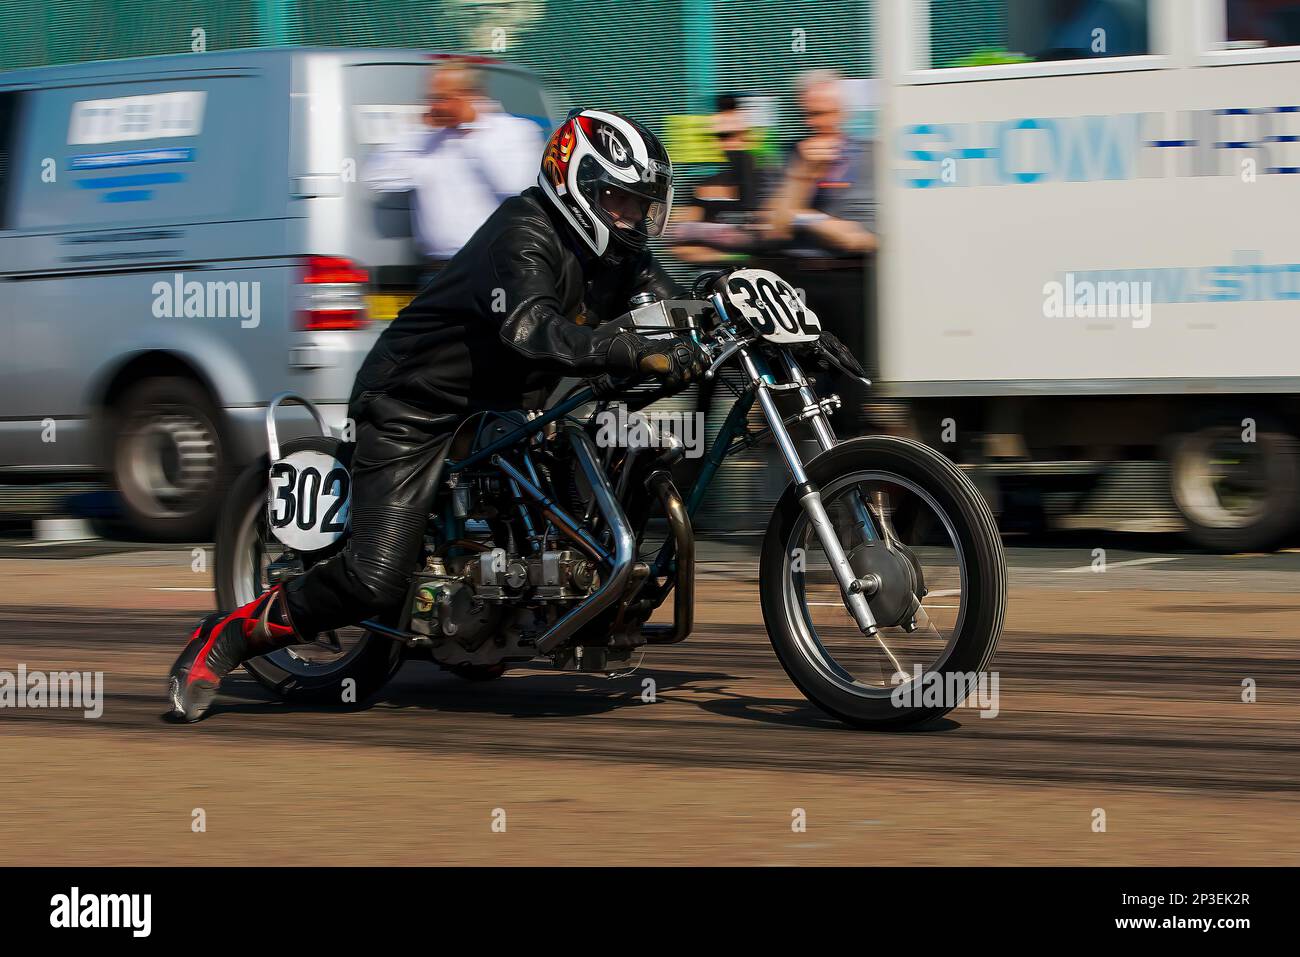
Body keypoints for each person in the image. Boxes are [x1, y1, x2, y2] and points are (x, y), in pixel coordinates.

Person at [167, 109, 705, 722]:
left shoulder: (618, 257)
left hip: (508, 410)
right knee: (374, 580)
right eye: (617, 200)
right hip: (415, 408)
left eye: (640, 205)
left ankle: (515, 611)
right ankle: (230, 637)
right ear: (576, 184)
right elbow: (532, 329)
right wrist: (627, 345)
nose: (630, 218)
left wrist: (732, 310)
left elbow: (675, 308)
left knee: (625, 457)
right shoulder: (524, 232)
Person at [764, 69, 878, 417]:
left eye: (826, 113)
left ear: (843, 112)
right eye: (811, 114)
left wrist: (802, 215)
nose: (819, 123)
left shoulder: (868, 157)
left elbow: (864, 238)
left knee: (850, 386)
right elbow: (772, 228)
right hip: (801, 282)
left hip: (850, 282)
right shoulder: (789, 156)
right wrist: (803, 174)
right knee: (795, 387)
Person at [363, 63, 543, 275]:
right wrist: (417, 130)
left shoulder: (514, 132)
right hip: (438, 271)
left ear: (469, 95)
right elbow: (378, 177)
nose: (436, 105)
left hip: (492, 266)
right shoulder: (428, 139)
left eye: (442, 97)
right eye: (432, 98)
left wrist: (472, 132)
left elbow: (516, 187)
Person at [667, 93, 767, 267]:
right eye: (723, 136)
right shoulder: (702, 187)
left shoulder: (774, 182)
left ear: (753, 135)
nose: (734, 143)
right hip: (720, 283)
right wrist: (743, 259)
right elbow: (681, 247)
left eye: (741, 134)